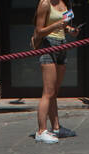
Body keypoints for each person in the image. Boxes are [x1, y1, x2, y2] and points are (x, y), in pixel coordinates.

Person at [32, 0, 78, 142]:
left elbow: (63, 27)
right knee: (48, 92)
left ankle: (56, 128)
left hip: (62, 45)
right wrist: (56, 25)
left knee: (54, 92)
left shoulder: (65, 3)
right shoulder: (45, 4)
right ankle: (41, 131)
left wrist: (70, 30)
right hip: (48, 45)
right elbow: (39, 31)